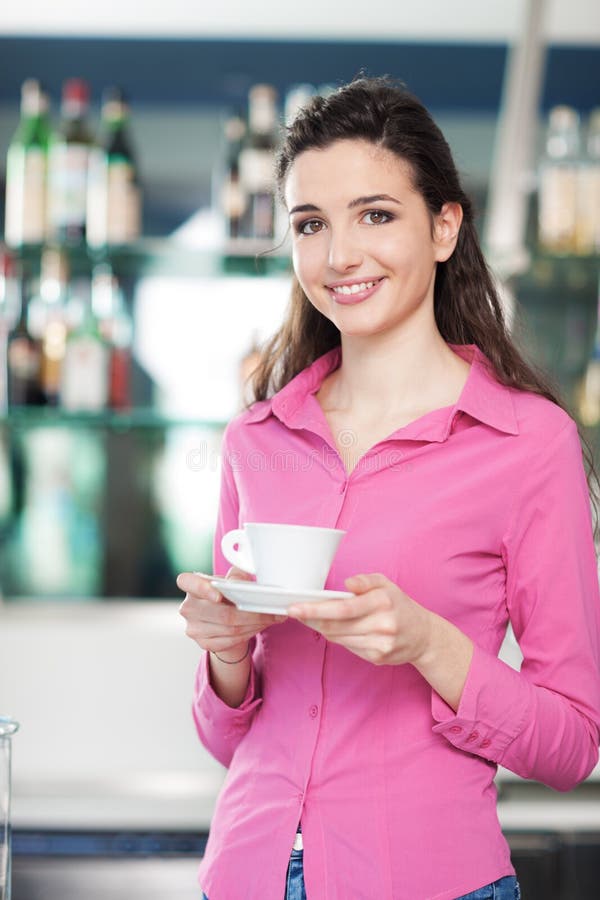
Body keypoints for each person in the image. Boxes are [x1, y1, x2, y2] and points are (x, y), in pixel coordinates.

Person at [177, 76, 600, 900]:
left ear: (445, 228)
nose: (339, 256)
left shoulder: (527, 443)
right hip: (244, 872)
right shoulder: (256, 440)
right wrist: (227, 653)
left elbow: (573, 743)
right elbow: (232, 740)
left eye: (376, 215)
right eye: (310, 224)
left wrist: (429, 645)